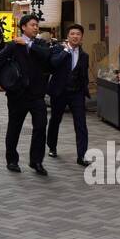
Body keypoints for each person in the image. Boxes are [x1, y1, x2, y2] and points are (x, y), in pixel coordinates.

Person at [0, 14, 52, 175]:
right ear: (23, 27)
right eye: (32, 25)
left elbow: (47, 56)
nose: (35, 27)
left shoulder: (40, 44)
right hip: (17, 94)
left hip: (37, 94)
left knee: (40, 126)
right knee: (14, 127)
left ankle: (36, 161)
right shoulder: (13, 45)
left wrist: (29, 45)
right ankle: (12, 160)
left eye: (36, 25)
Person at [35, 23, 93, 166]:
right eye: (72, 34)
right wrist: (66, 51)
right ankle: (52, 147)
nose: (75, 36)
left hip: (77, 94)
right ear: (68, 36)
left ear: (82, 37)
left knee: (81, 124)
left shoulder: (84, 55)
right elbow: (53, 64)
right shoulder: (58, 49)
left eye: (78, 34)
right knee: (55, 120)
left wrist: (84, 90)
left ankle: (81, 155)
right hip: (59, 92)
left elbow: (83, 74)